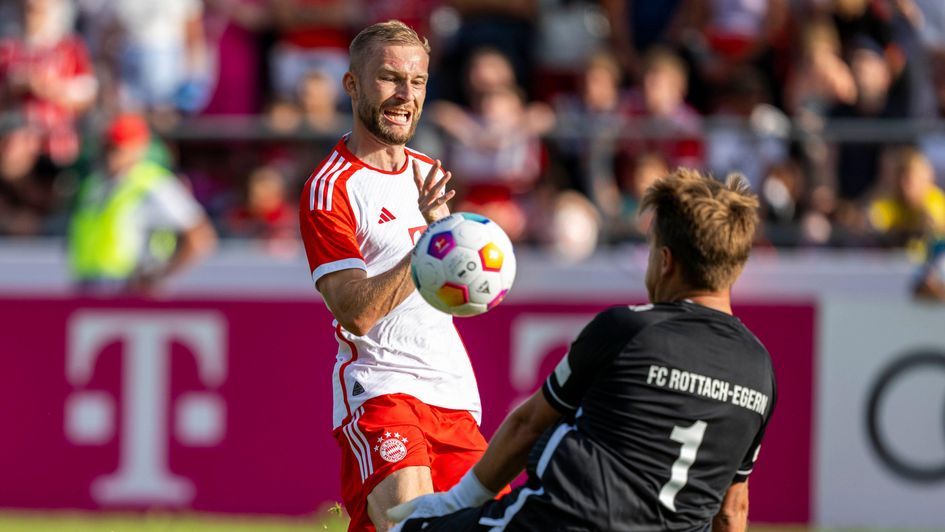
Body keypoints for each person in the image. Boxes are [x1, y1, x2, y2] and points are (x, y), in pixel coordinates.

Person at [389, 168, 777, 531]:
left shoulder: (628, 329)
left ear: (664, 262)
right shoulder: (759, 368)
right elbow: (733, 509)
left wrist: (449, 504)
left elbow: (529, 426)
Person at [297, 20, 496, 532]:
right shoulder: (330, 189)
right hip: (382, 389)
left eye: (419, 81)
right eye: (389, 78)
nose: (406, 95)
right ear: (352, 85)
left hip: (452, 394)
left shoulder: (427, 171)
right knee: (416, 526)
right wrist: (429, 245)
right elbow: (356, 311)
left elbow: (448, 296)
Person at [68, 113, 217, 295]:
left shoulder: (155, 184)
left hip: (128, 289)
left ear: (138, 148)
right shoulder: (94, 184)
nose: (110, 154)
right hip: (88, 286)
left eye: (117, 147)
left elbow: (200, 237)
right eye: (107, 147)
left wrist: (158, 276)